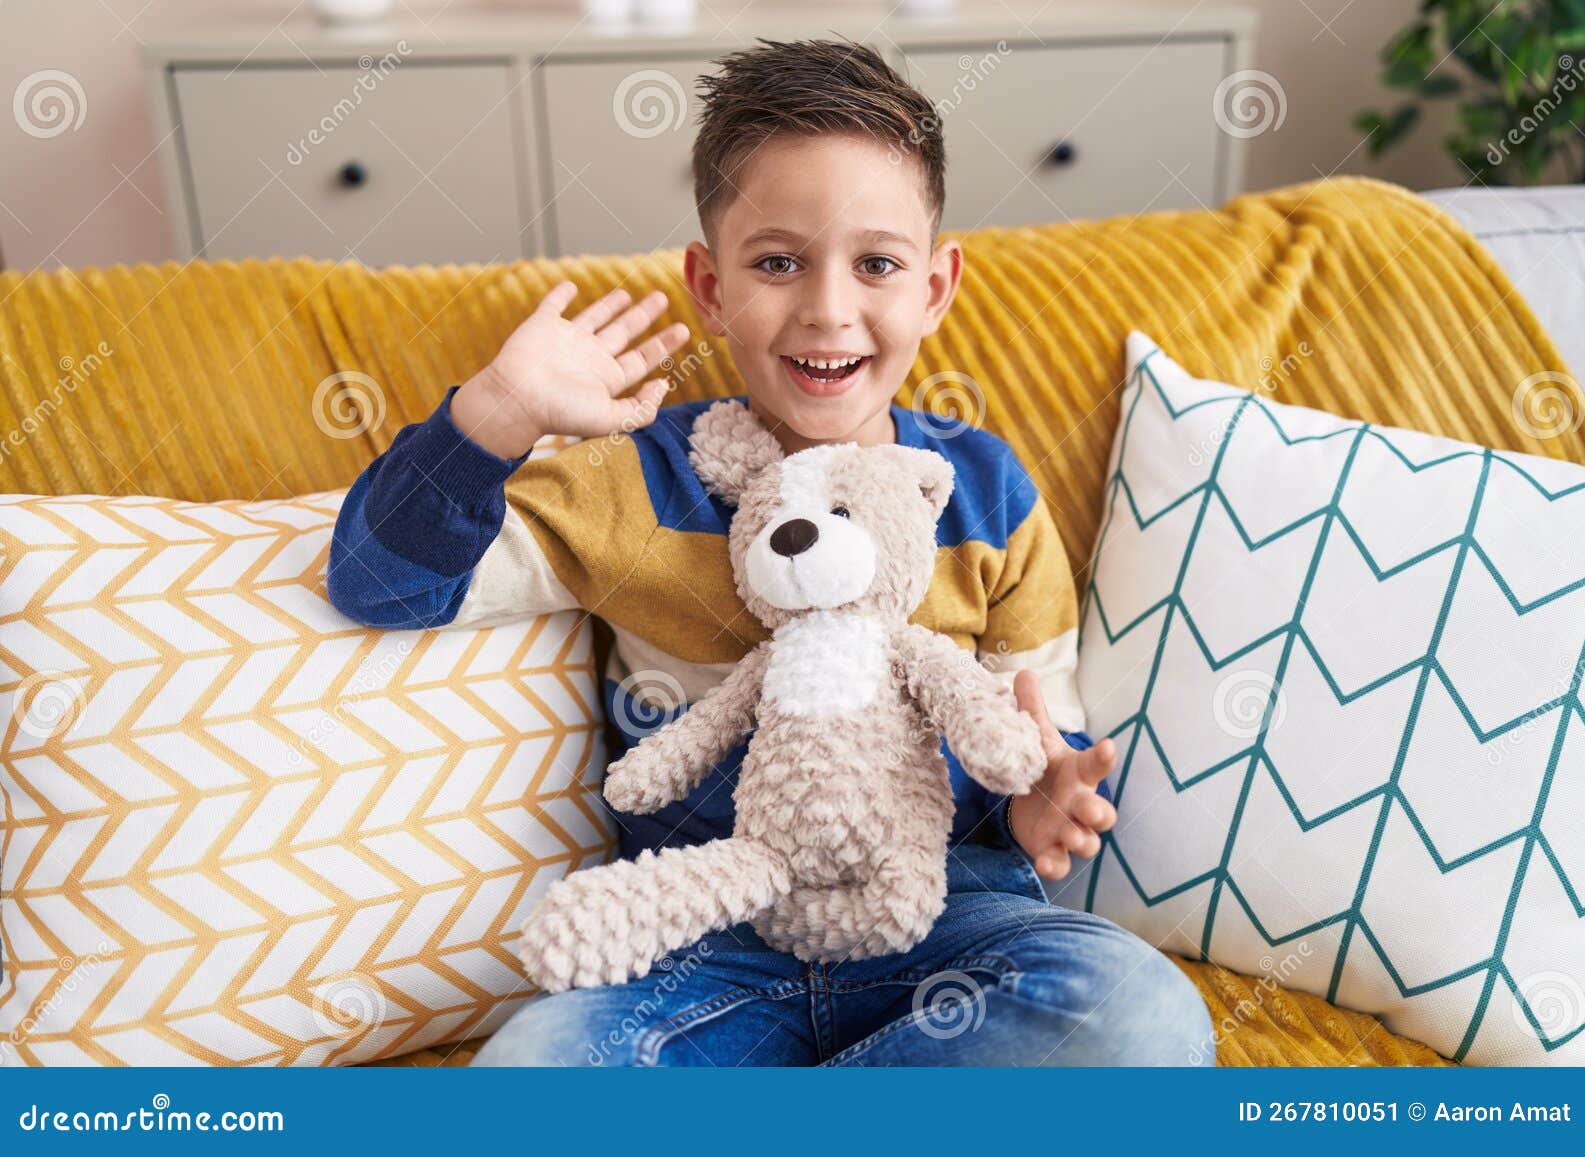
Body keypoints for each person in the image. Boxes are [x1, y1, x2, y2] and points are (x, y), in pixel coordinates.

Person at [328, 38, 1214, 1067]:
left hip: (943, 921)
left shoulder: (982, 491)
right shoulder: (633, 481)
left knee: (1138, 1016)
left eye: (875, 263)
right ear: (710, 285)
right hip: (698, 944)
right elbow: (380, 582)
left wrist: (1037, 805)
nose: (828, 309)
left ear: (934, 287)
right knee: (532, 1072)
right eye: (777, 261)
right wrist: (496, 412)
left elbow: (1034, 730)